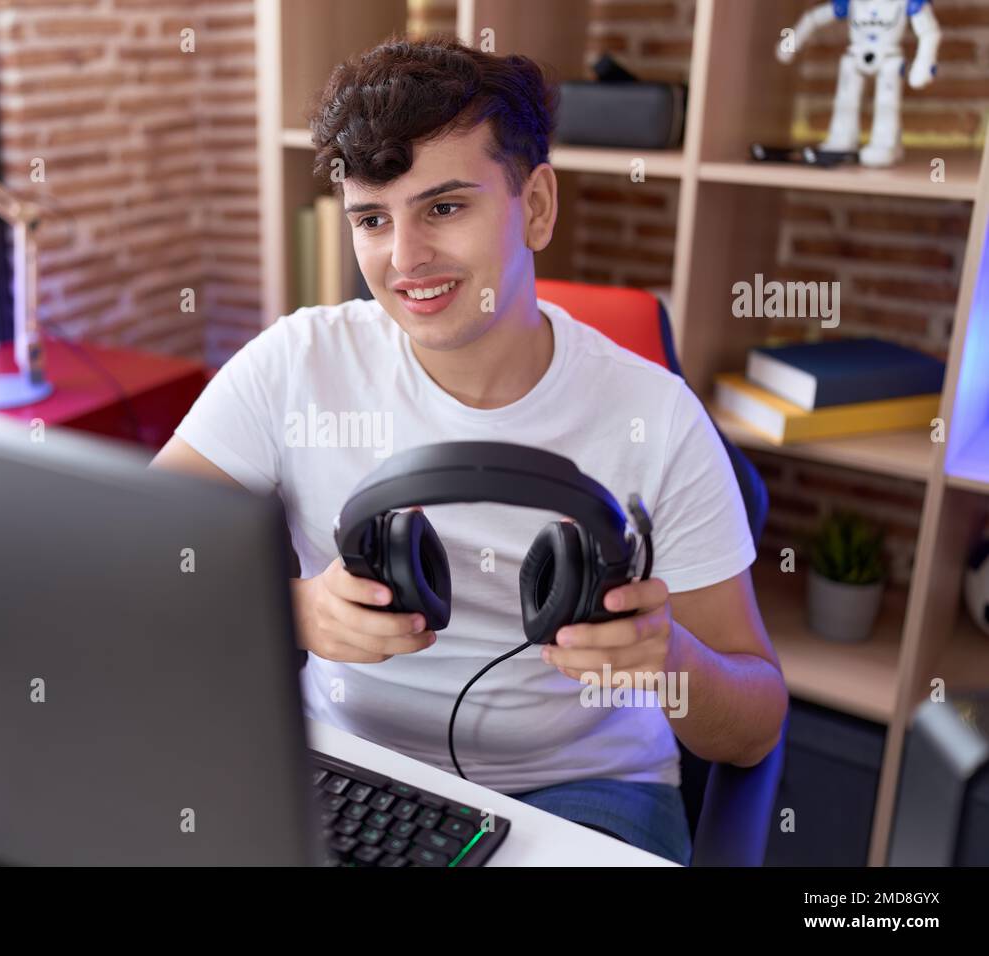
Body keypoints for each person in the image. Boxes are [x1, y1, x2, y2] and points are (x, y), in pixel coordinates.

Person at [151, 35, 787, 866]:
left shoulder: (656, 416)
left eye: (444, 207)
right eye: (373, 220)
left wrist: (670, 660)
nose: (404, 259)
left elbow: (753, 726)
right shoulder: (294, 362)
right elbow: (151, 559)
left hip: (579, 794)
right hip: (348, 765)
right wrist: (295, 612)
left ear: (537, 206)